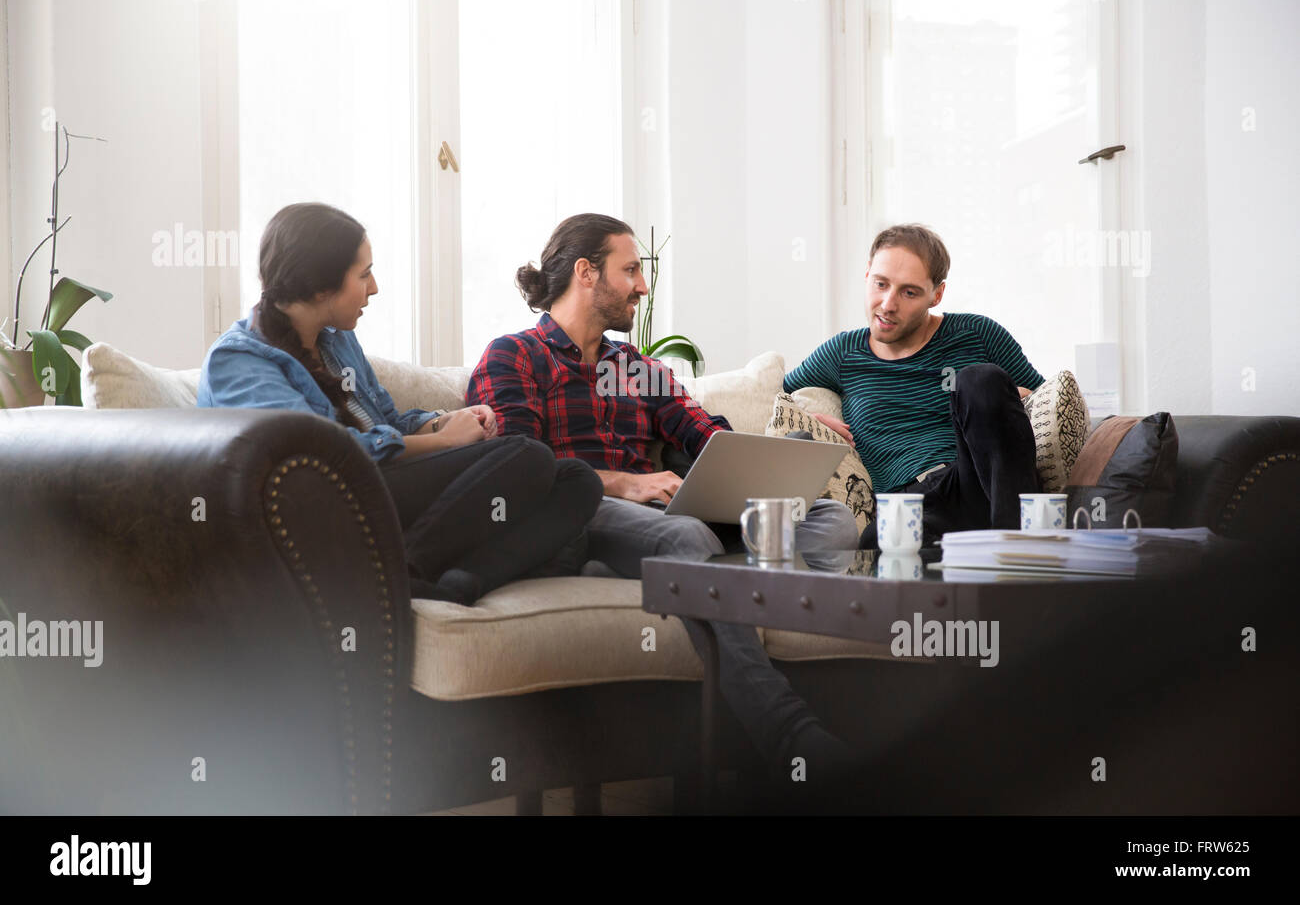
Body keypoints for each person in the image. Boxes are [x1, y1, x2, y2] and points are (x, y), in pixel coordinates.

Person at [465, 212, 861, 789]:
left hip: (657, 516)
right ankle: (788, 735)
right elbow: (520, 469)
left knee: (831, 521)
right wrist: (626, 483)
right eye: (631, 271)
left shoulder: (639, 370)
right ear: (586, 272)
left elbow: (708, 437)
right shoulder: (514, 357)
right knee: (687, 537)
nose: (643, 287)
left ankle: (661, 576)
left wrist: (784, 441)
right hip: (578, 514)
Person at [198, 202, 602, 605]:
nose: (374, 287)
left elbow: (387, 420)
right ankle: (402, 567)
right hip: (329, 504)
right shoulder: (240, 360)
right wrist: (444, 444)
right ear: (321, 286)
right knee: (527, 455)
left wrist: (442, 423)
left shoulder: (336, 339)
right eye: (364, 274)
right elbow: (317, 455)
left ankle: (458, 582)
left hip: (381, 486)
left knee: (576, 480)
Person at [784, 223, 1045, 548]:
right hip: (908, 504)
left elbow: (1042, 398)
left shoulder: (977, 333)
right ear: (867, 276)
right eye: (881, 284)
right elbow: (777, 397)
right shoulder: (843, 353)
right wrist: (808, 419)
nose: (888, 304)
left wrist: (1007, 395)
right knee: (876, 540)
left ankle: (1016, 549)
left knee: (978, 380)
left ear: (936, 294)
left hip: (978, 483)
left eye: (909, 292)